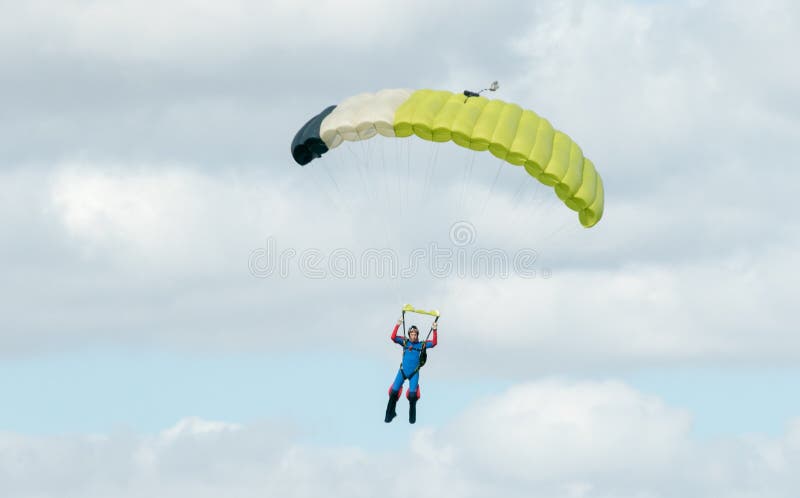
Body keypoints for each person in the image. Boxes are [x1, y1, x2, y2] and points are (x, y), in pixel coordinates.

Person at [384, 315, 438, 424]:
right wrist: (398, 324)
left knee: (413, 396)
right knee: (393, 393)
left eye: (415, 334)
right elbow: (393, 337)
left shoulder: (421, 345)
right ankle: (390, 415)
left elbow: (433, 343)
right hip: (403, 371)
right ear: (409, 335)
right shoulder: (405, 342)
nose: (413, 336)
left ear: (417, 335)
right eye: (412, 334)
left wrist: (434, 330)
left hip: (414, 373)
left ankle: (412, 420)